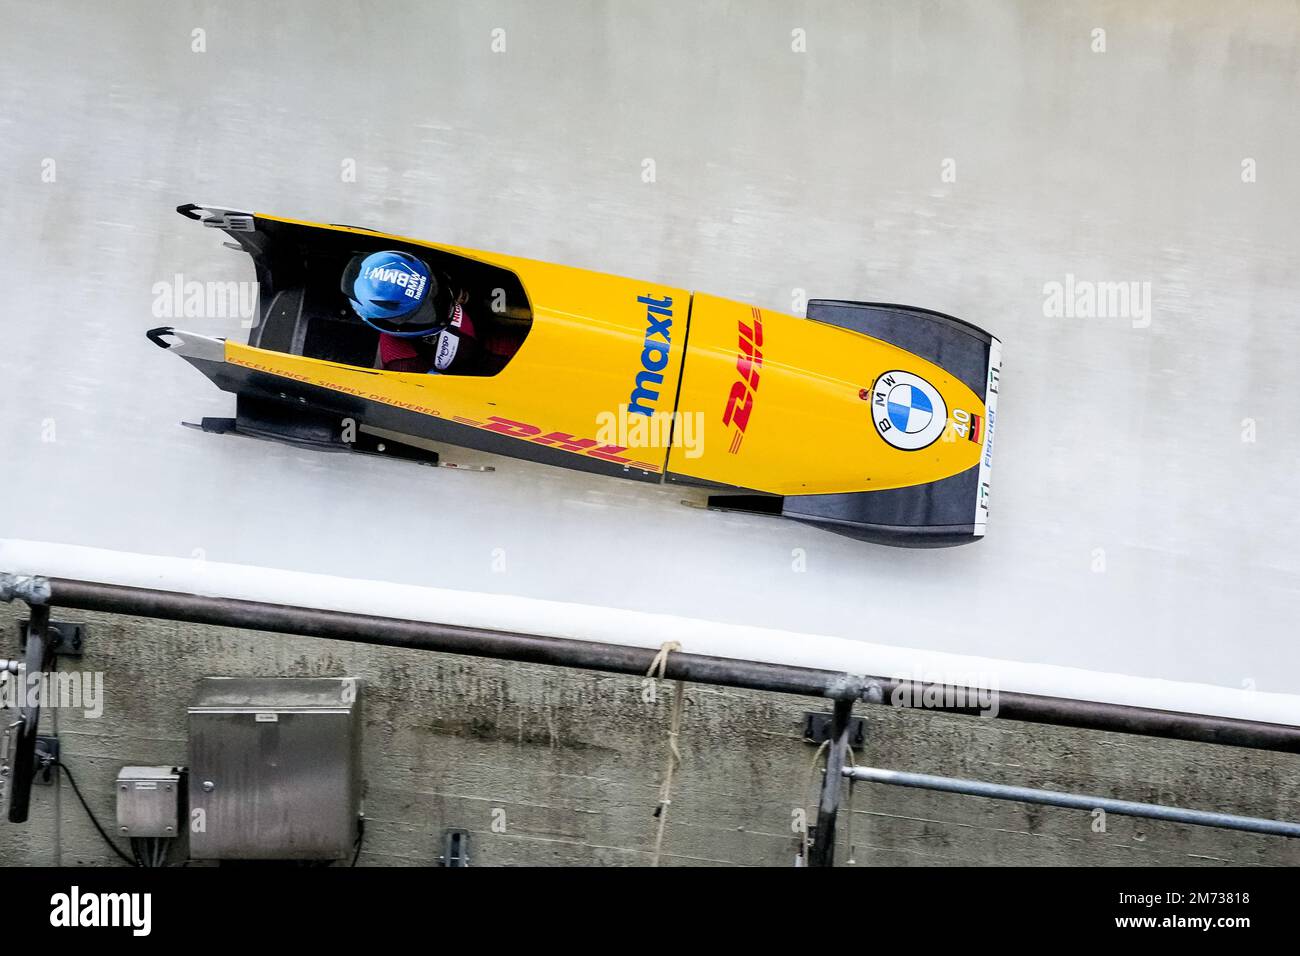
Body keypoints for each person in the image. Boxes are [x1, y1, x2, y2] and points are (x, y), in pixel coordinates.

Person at [340, 250, 516, 374]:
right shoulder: (403, 361)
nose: (440, 305)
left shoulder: (445, 282)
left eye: (434, 291)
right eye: (421, 313)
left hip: (485, 338)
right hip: (476, 366)